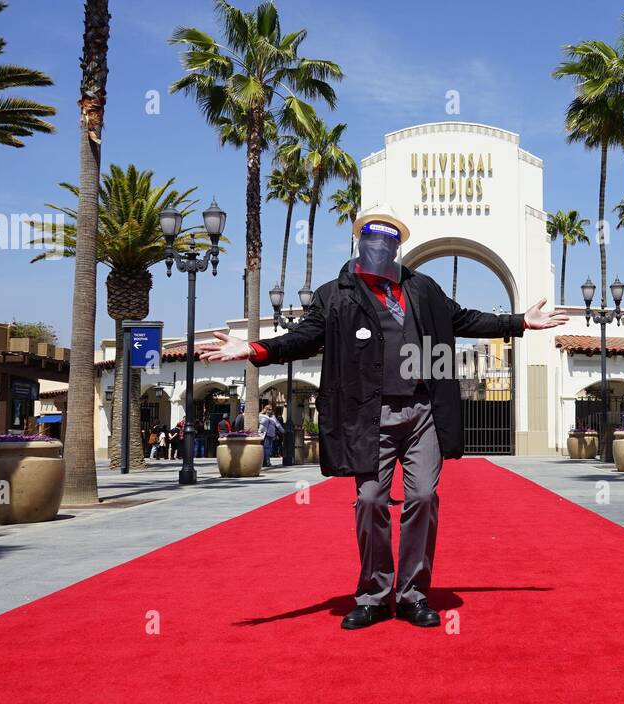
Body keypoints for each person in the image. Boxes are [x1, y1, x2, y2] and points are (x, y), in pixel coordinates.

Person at [202, 203, 567, 630]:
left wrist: (521, 320)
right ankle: (374, 596)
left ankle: (412, 594)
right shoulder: (335, 294)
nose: (380, 244)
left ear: (397, 245)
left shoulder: (422, 288)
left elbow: (464, 318)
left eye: (389, 237)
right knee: (371, 500)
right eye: (373, 235)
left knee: (424, 498)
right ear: (360, 240)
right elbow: (304, 337)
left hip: (422, 411)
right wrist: (254, 348)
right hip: (369, 416)